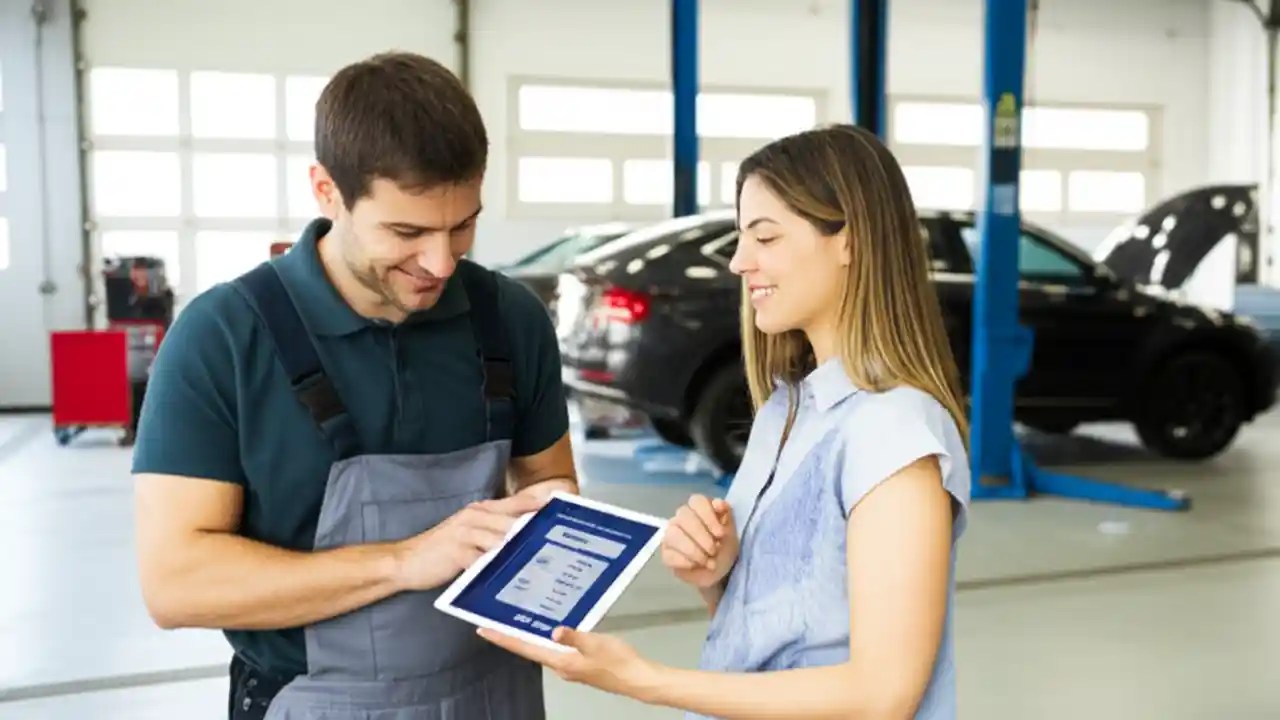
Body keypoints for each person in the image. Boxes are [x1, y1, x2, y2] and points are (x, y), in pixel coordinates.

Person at [131, 51, 576, 720]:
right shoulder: (222, 336)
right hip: (313, 703)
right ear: (326, 191)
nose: (439, 261)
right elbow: (176, 584)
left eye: (463, 226)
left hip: (496, 697)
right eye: (406, 231)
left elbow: (553, 496)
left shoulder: (510, 319)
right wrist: (404, 562)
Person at [478, 123, 972, 719]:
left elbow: (881, 696)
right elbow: (783, 639)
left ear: (851, 240)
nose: (740, 262)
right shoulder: (787, 410)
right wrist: (718, 575)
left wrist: (644, 680)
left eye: (765, 237)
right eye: (742, 237)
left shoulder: (895, 435)